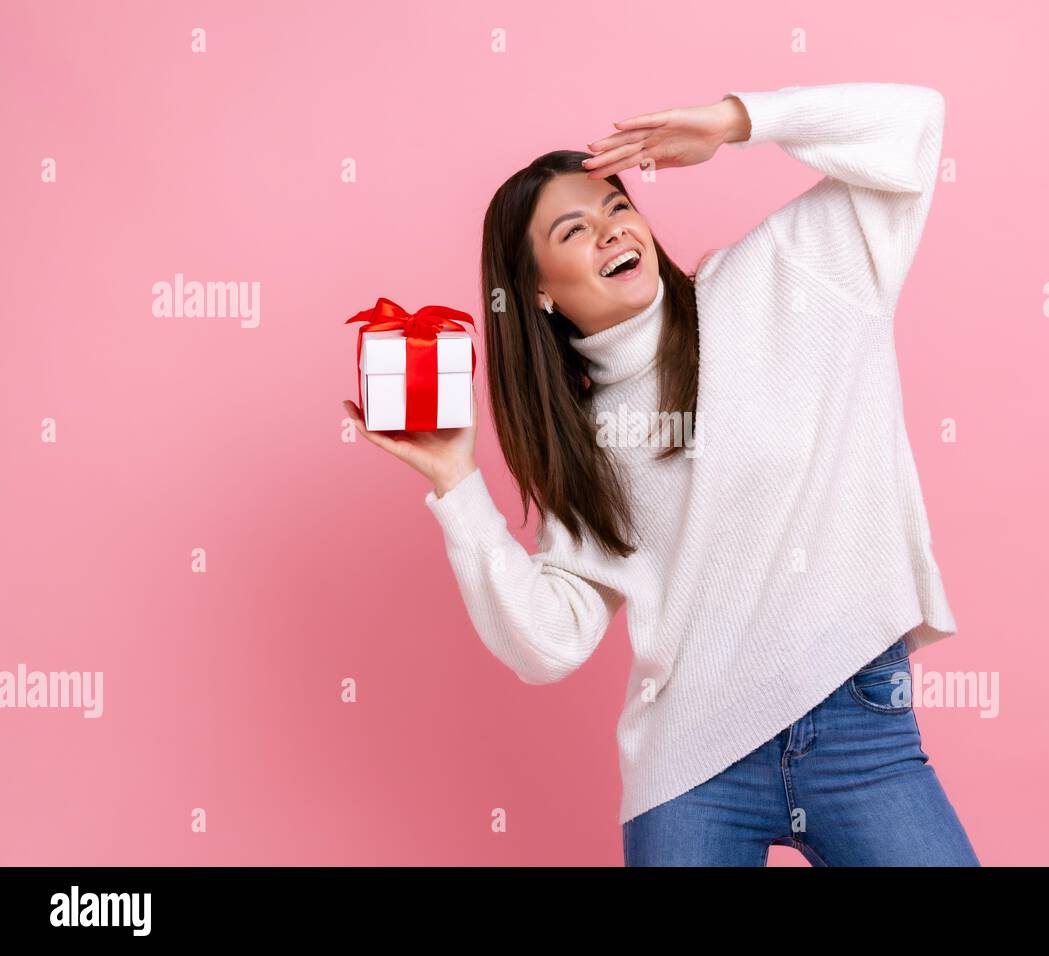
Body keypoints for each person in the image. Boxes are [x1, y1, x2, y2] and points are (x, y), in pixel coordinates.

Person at [343, 81, 980, 866]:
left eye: (617, 208)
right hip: (691, 768)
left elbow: (913, 122)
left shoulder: (787, 277)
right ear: (537, 289)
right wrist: (456, 484)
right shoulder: (581, 443)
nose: (611, 231)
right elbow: (549, 643)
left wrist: (738, 121)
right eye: (574, 229)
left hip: (857, 725)